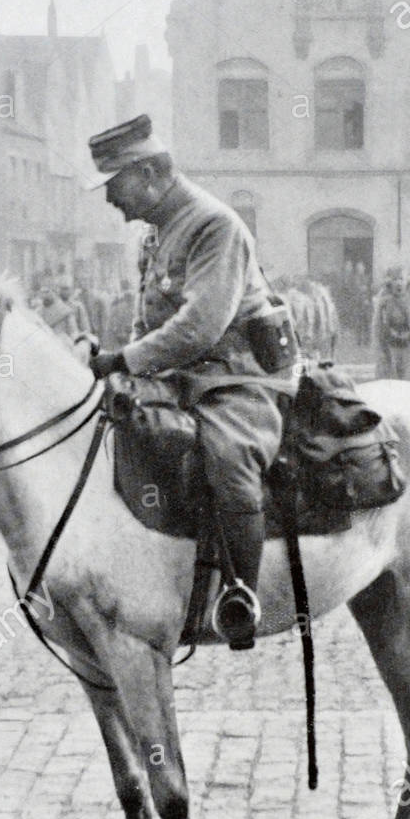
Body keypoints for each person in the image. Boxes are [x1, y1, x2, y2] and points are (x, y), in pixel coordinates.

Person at [85, 114, 297, 651]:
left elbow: (200, 327)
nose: (111, 198)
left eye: (116, 184)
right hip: (179, 377)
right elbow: (146, 319)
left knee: (226, 458)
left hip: (238, 379)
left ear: (151, 172)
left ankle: (241, 594)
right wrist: (125, 370)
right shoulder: (156, 234)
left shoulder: (214, 226)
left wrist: (124, 360)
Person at [374, 271, 410, 381]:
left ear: (407, 283)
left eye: (401, 279)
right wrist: (379, 350)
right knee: (390, 381)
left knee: (409, 382)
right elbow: (377, 327)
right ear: (391, 283)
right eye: (395, 280)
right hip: (390, 347)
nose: (398, 283)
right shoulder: (384, 303)